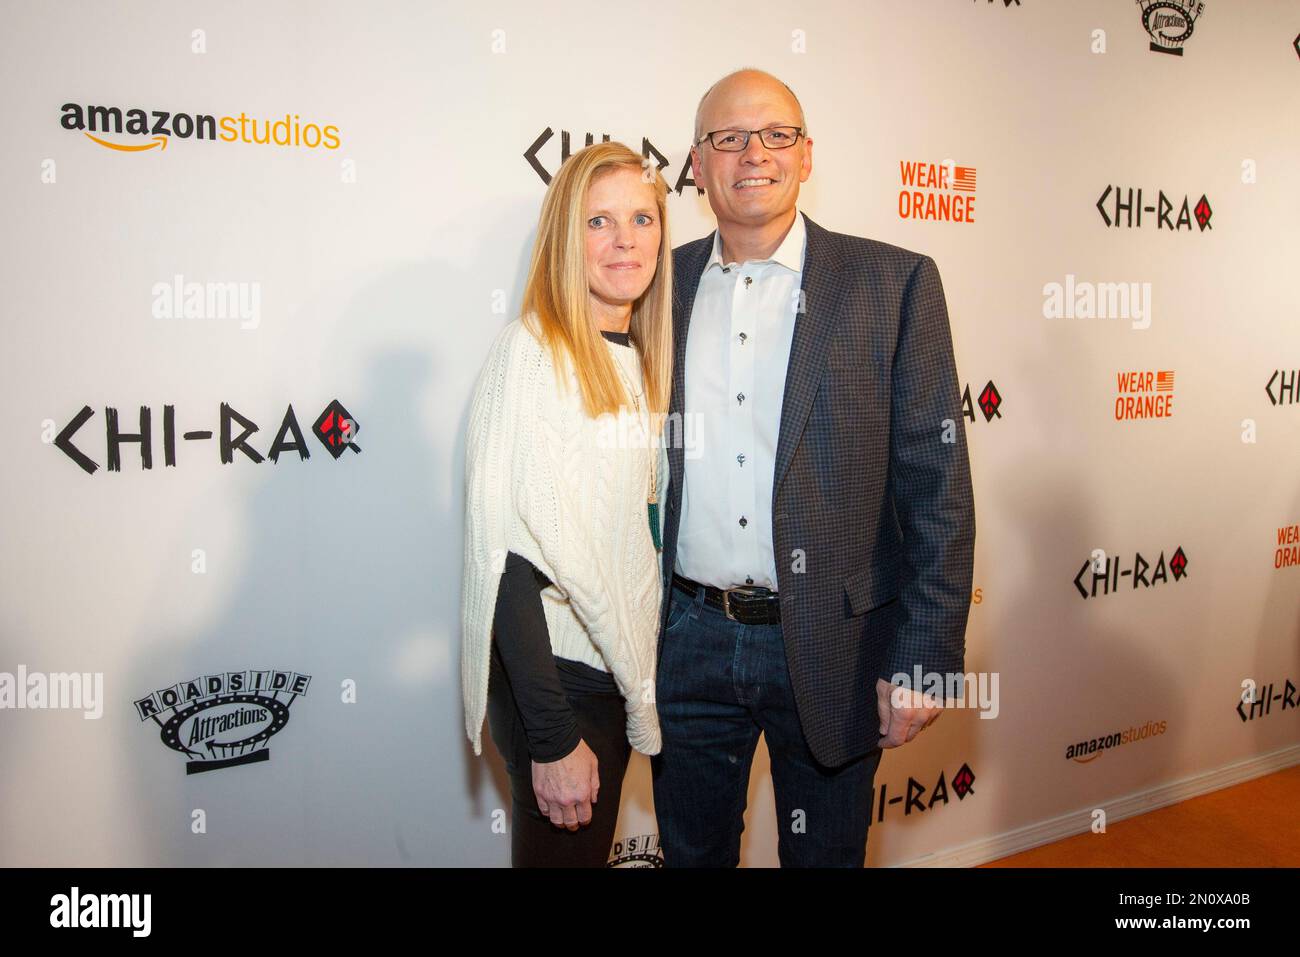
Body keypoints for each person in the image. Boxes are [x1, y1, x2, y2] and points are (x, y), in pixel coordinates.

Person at [652, 69, 976, 867]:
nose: (753, 153)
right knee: (690, 855)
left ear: (806, 154)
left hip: (839, 642)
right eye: (728, 137)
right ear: (697, 163)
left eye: (776, 134)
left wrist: (925, 656)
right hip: (685, 639)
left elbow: (937, 487)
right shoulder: (657, 285)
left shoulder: (894, 282)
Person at [461, 141, 673, 867]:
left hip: (611, 677)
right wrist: (551, 736)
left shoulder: (638, 358)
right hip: (556, 684)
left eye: (642, 218)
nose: (625, 241)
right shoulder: (530, 353)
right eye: (598, 221)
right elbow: (503, 559)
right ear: (563, 238)